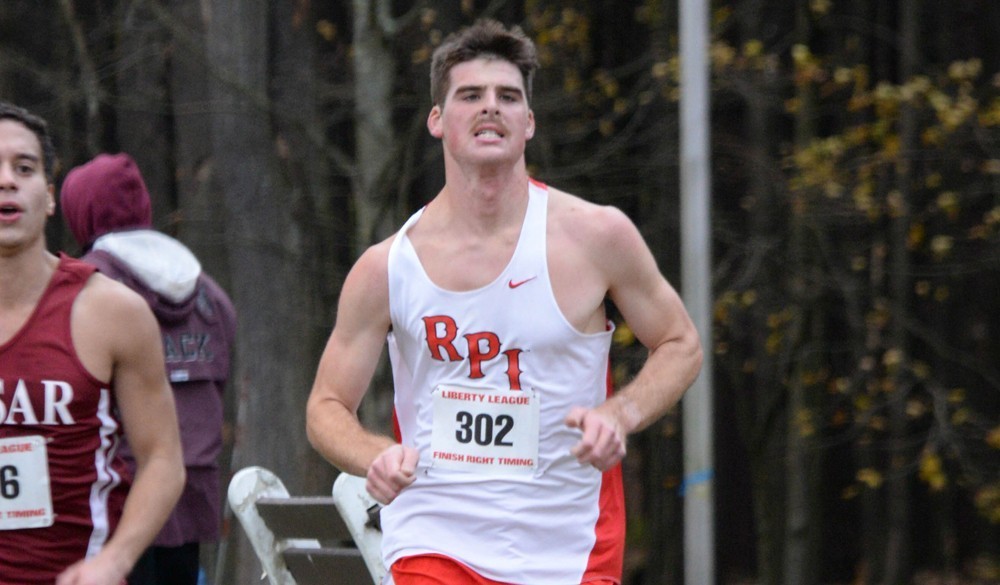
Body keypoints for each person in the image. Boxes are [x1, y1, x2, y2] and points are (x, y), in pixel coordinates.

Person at [306, 18, 703, 585]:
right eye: (471, 95)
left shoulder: (596, 237)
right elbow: (325, 405)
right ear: (437, 120)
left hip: (570, 543)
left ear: (529, 121)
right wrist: (374, 455)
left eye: (508, 97)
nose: (491, 107)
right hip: (434, 537)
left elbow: (682, 343)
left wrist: (621, 414)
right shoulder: (388, 266)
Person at [0, 103, 185, 584]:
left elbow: (163, 458)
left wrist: (115, 560)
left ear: (49, 196)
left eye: (24, 168)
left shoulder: (110, 312)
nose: (7, 181)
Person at [59, 153, 237, 585]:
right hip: (193, 496)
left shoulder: (86, 291)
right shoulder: (208, 295)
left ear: (79, 213)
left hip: (115, 504)